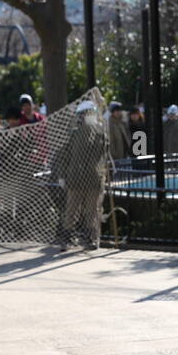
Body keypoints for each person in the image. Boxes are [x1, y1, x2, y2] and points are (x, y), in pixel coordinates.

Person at [53, 100, 108, 250]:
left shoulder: (100, 133)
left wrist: (101, 131)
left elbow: (103, 154)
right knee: (71, 210)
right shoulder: (73, 134)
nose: (87, 116)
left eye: (89, 113)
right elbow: (63, 156)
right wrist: (62, 175)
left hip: (93, 177)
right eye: (85, 114)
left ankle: (91, 239)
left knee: (92, 211)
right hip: (75, 177)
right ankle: (66, 238)